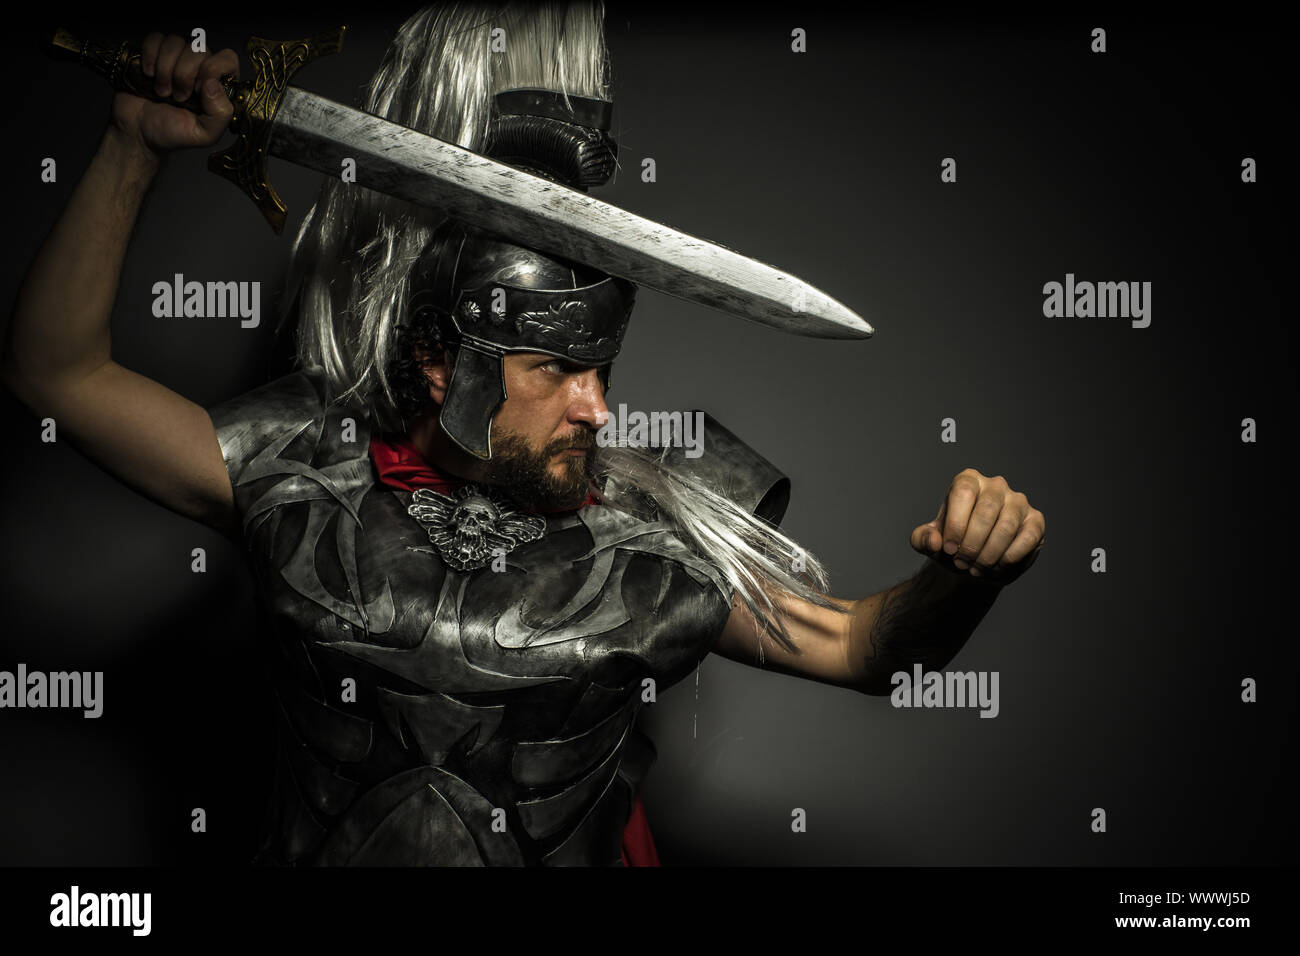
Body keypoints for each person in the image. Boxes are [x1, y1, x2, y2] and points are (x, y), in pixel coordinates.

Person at [2, 2, 1044, 866]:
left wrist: (966, 576)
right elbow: (56, 370)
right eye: (557, 370)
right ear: (438, 361)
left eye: (604, 370)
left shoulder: (653, 525)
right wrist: (129, 148)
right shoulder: (300, 469)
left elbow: (864, 646)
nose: (599, 407)